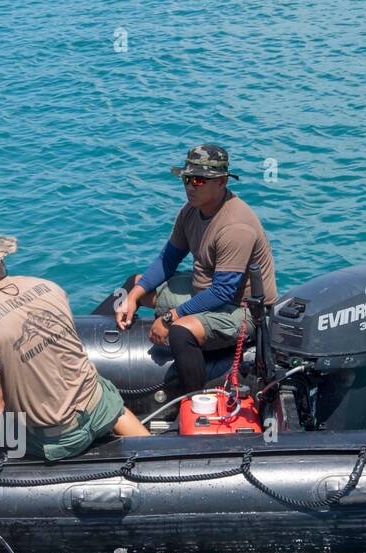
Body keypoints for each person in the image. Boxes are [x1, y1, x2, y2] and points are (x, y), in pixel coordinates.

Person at [0, 219, 149, 463]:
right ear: (1, 257)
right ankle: (154, 450)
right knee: (98, 388)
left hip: (61, 439)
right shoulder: (48, 287)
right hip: (99, 409)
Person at [111, 144, 278, 394]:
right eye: (187, 179)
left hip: (242, 309)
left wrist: (170, 318)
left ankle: (195, 400)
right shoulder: (190, 211)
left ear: (221, 182)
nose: (190, 186)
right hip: (203, 292)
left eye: (199, 180)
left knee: (180, 331)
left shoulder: (235, 226)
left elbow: (223, 292)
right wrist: (134, 296)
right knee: (131, 286)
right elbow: (168, 259)